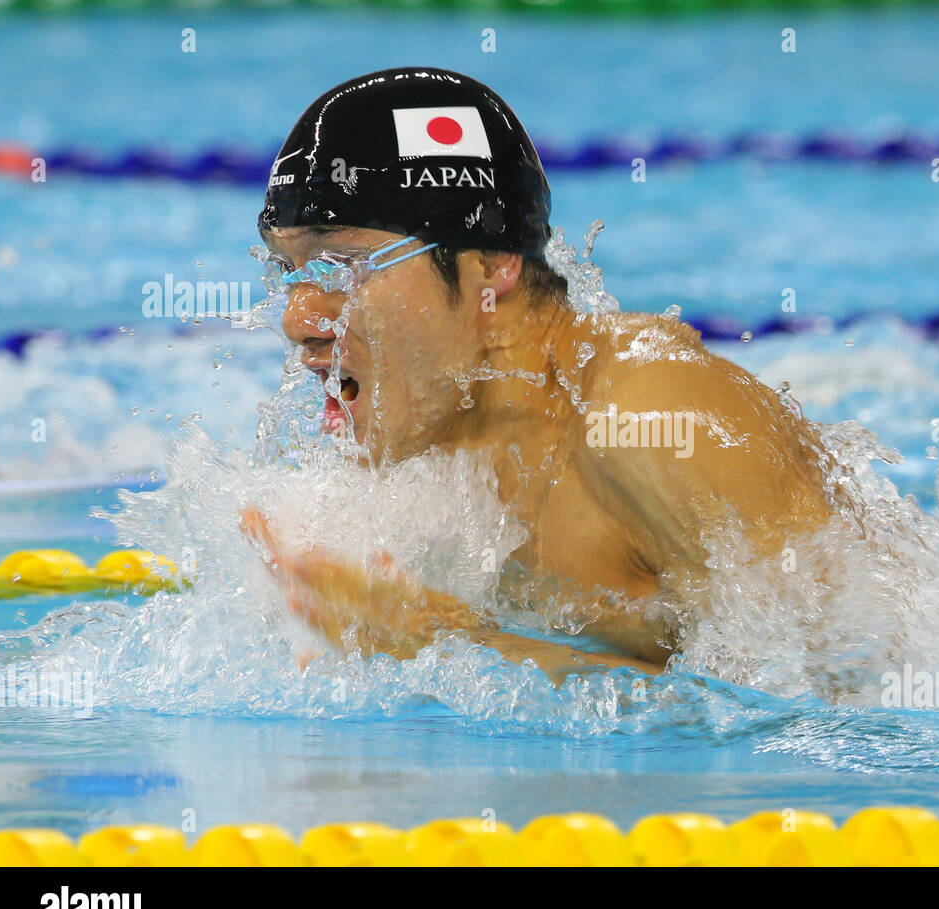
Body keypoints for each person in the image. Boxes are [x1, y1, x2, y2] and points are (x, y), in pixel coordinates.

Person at [246, 67, 836, 682]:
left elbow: (835, 706)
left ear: (493, 264)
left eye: (343, 263)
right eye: (288, 271)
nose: (298, 318)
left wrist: (453, 647)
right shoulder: (444, 446)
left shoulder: (653, 422)